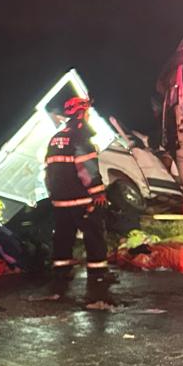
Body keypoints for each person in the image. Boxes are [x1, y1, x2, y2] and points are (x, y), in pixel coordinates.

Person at [45, 96, 111, 278]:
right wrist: (98, 192)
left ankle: (61, 272)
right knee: (94, 235)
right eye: (87, 112)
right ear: (81, 113)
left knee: (63, 236)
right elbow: (86, 168)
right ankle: (99, 274)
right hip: (81, 199)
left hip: (60, 200)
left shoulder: (56, 139)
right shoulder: (80, 137)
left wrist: (54, 195)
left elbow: (48, 171)